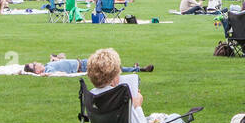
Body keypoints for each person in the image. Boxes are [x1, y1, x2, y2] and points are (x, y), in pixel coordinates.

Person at [23, 54, 153, 75]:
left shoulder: (47, 65)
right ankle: (138, 69)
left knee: (108, 62)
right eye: (35, 65)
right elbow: (58, 73)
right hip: (83, 67)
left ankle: (135, 68)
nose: (37, 63)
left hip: (82, 62)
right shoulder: (48, 71)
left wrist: (55, 58)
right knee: (109, 67)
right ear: (37, 71)